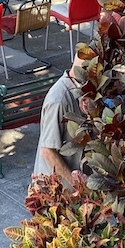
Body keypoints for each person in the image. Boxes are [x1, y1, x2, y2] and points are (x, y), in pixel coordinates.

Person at [33, 56, 84, 185]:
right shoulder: (59, 100)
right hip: (57, 186)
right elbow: (48, 151)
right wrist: (76, 185)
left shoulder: (79, 90)